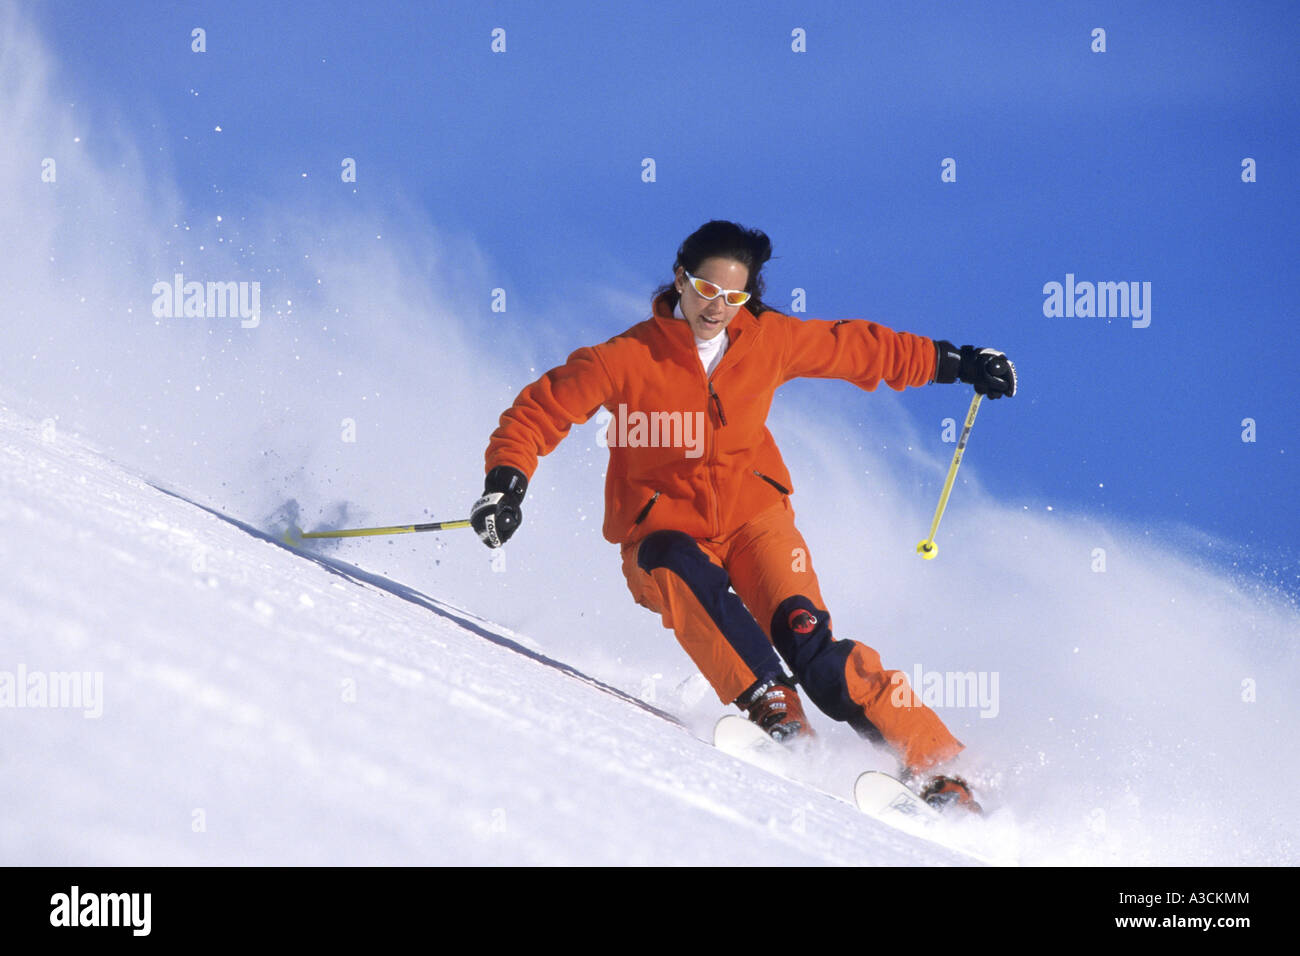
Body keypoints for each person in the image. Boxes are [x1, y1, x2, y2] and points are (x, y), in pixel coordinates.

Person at [470, 220, 1016, 812]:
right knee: (675, 561)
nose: (717, 308)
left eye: (733, 297)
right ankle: (771, 705)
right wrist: (506, 485)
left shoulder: (767, 340)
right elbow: (538, 410)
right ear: (681, 279)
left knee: (811, 642)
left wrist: (954, 361)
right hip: (666, 535)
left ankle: (943, 770)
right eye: (706, 290)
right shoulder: (625, 358)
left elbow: (856, 347)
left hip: (756, 521)